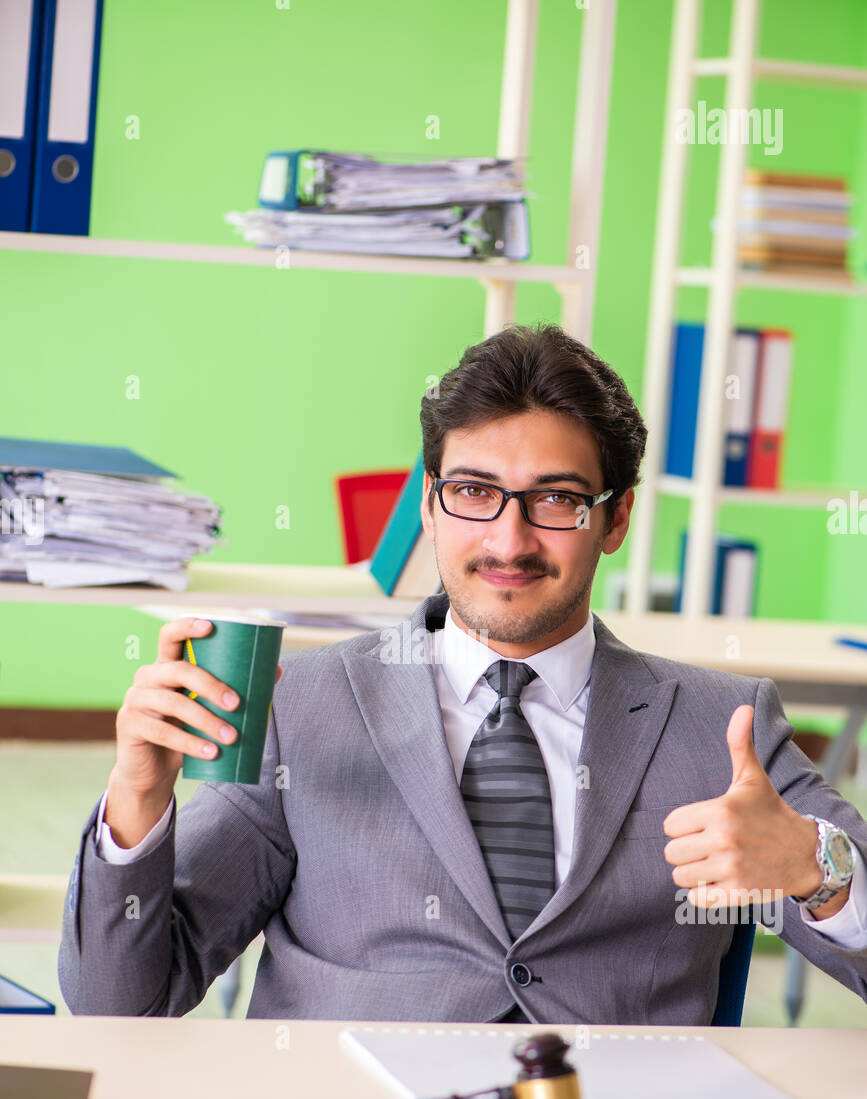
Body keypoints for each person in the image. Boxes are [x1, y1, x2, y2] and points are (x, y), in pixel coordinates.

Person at [59, 323, 867, 1022]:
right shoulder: (298, 709)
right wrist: (136, 800)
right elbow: (120, 1002)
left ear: (614, 519)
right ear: (430, 507)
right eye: (475, 492)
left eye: (555, 500)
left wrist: (813, 868)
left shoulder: (719, 725)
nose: (509, 542)